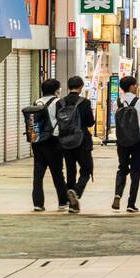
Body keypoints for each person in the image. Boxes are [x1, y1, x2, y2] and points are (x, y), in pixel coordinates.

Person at [28, 78, 74, 213]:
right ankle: (62, 201)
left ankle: (38, 203)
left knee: (38, 174)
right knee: (57, 172)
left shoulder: (37, 102)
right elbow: (63, 120)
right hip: (54, 140)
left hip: (37, 141)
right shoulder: (59, 102)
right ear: (56, 90)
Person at [112, 75, 140, 212]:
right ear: (132, 86)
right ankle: (131, 203)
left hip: (121, 139)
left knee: (122, 168)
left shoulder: (118, 102)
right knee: (136, 171)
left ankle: (117, 194)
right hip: (137, 139)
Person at [58, 76, 96, 207]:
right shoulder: (84, 102)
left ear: (68, 86)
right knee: (86, 169)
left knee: (70, 171)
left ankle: (71, 203)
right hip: (82, 141)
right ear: (80, 87)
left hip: (65, 141)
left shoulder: (60, 103)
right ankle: (76, 191)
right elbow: (90, 122)